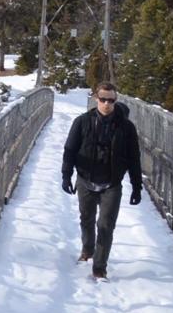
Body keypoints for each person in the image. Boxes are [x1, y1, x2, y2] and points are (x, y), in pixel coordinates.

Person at [61, 81, 143, 279]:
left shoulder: (127, 127)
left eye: (111, 100)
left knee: (106, 225)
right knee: (86, 219)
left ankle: (99, 267)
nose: (107, 103)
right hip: (85, 180)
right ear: (96, 99)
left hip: (111, 183)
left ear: (115, 101)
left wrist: (137, 187)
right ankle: (88, 250)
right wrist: (66, 175)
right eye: (103, 99)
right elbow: (70, 150)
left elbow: (134, 158)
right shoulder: (82, 121)